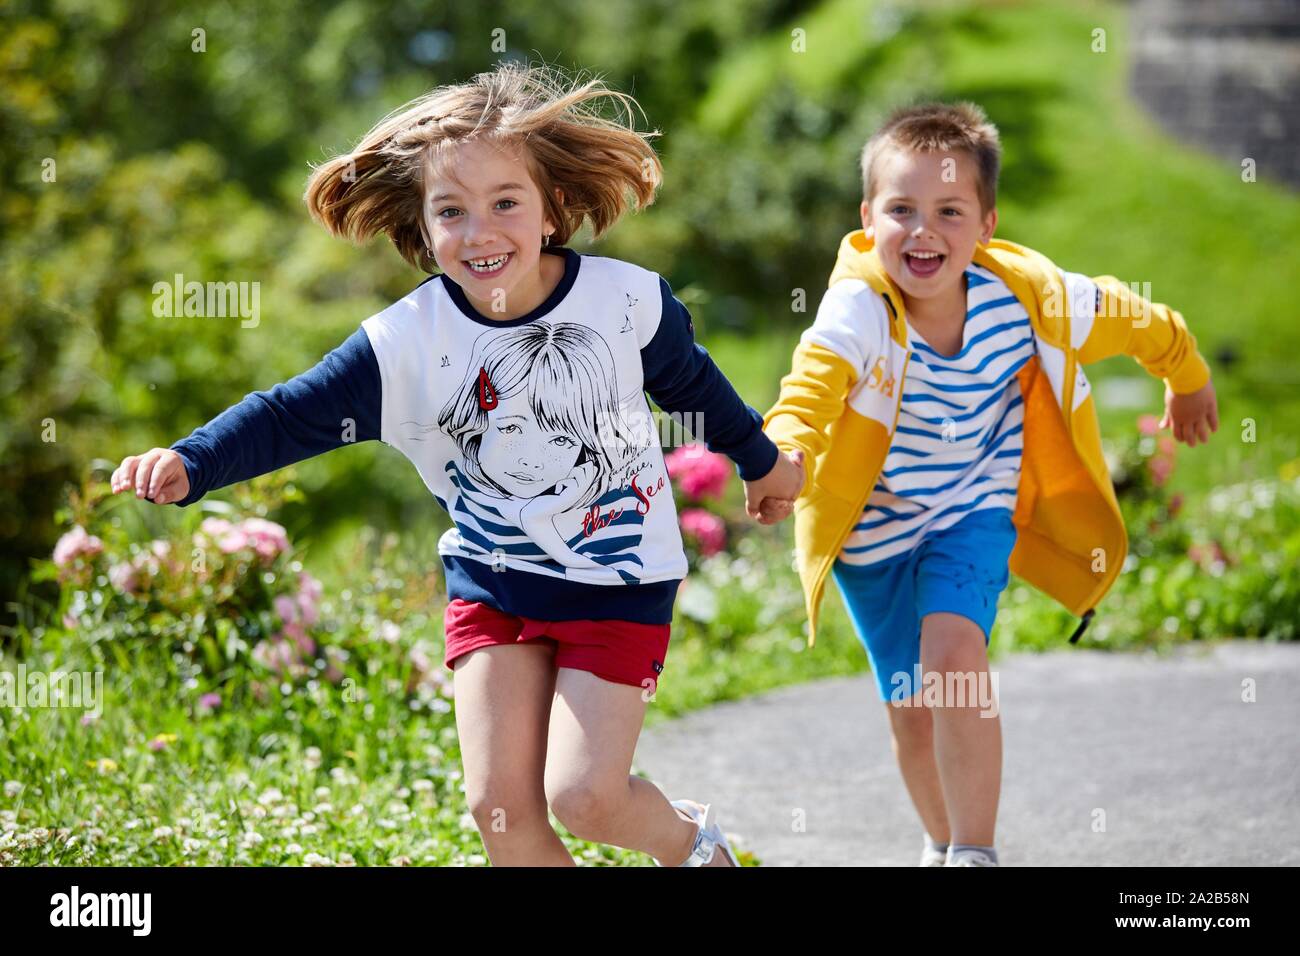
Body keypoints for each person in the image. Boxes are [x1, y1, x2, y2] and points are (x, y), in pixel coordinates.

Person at [110, 62, 804, 867]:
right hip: (494, 578)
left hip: (618, 581)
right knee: (497, 810)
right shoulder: (405, 344)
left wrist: (762, 463)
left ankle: (691, 844)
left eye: (505, 202)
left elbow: (696, 386)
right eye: (452, 211)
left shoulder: (624, 302)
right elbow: (289, 413)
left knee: (585, 798)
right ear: (422, 226)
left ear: (552, 210)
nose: (480, 233)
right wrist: (193, 460)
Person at [760, 102, 1219, 866]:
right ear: (868, 218)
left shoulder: (1029, 300)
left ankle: (976, 851)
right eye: (901, 209)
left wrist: (1189, 374)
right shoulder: (857, 311)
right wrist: (783, 452)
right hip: (871, 538)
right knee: (910, 712)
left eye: (949, 211)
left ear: (987, 226)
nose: (924, 230)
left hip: (970, 512)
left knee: (953, 663)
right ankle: (940, 842)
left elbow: (1133, 316)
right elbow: (809, 387)